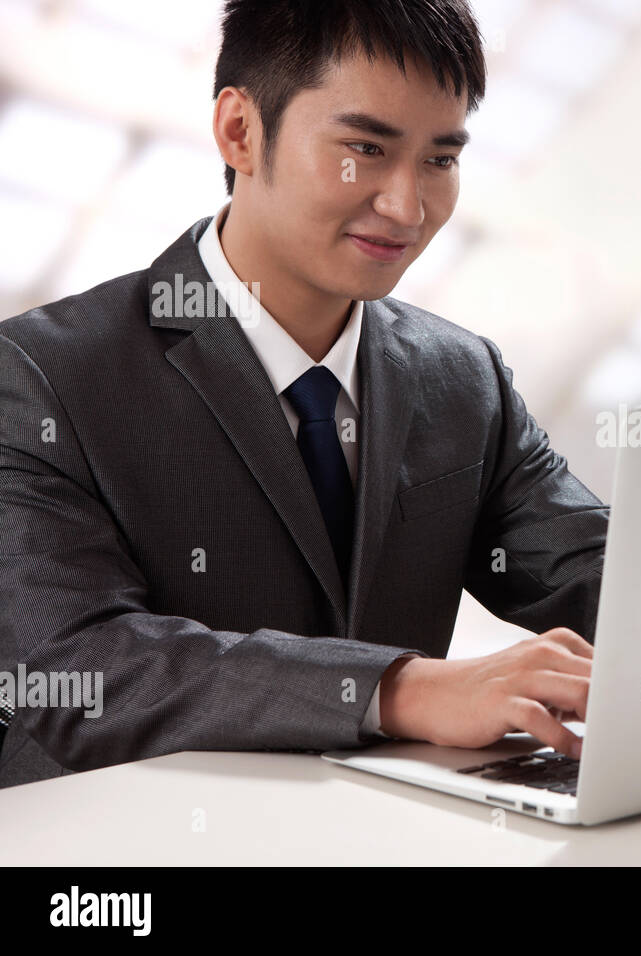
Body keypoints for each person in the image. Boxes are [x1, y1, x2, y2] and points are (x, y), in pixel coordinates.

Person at [0, 0, 605, 789]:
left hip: (384, 834)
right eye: (365, 149)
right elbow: (78, 671)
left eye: (440, 159)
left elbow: (596, 575)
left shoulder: (466, 379)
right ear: (241, 132)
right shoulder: (39, 374)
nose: (407, 207)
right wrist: (398, 689)